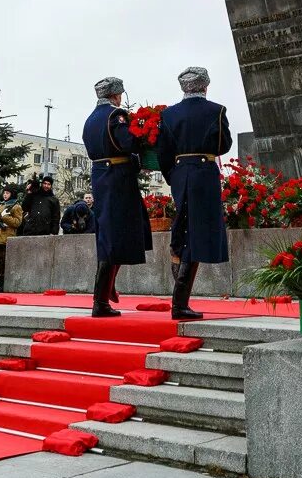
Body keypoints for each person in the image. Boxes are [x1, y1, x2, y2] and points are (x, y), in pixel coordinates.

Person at [156, 66, 234, 321]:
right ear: (205, 86)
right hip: (204, 173)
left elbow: (163, 153)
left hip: (179, 173)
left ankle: (180, 297)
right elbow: (224, 144)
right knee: (194, 233)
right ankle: (179, 304)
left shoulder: (168, 115)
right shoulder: (216, 110)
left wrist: (175, 177)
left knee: (186, 229)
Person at [83, 76, 150, 317]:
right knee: (115, 237)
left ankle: (106, 291)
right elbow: (126, 142)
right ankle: (100, 300)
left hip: (101, 177)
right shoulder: (115, 115)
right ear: (116, 95)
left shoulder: (90, 118)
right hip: (118, 179)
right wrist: (145, 135)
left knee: (109, 235)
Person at [0, 186, 24, 292]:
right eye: (4, 193)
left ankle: (4, 284)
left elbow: (17, 223)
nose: (5, 195)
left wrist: (6, 217)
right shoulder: (1, 205)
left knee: (5, 262)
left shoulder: (16, 206)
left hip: (7, 237)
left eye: (7, 193)